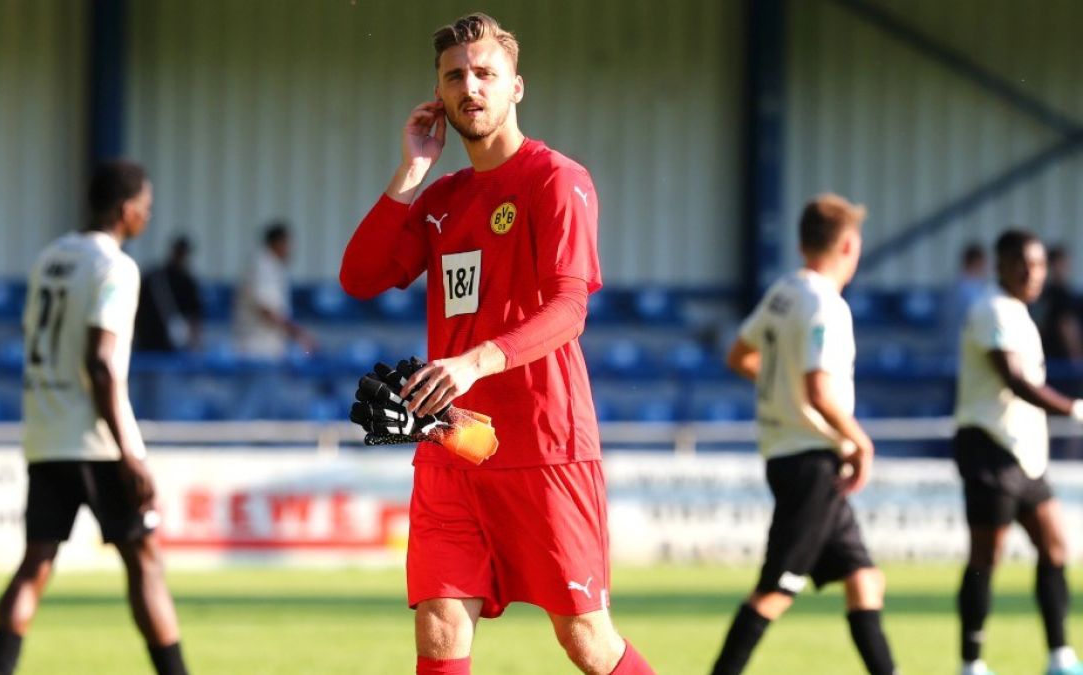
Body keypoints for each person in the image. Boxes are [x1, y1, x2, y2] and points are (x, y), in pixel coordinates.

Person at [339, 13, 654, 675]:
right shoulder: (443, 199)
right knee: (439, 623)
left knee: (587, 642)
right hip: (454, 445)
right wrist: (411, 172)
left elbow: (570, 308)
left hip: (544, 446)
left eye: (485, 73)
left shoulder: (556, 179)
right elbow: (360, 276)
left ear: (517, 86)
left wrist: (475, 359)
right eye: (455, 76)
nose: (469, 86)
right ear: (440, 94)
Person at [0, 161, 189, 675]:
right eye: (145, 206)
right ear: (127, 211)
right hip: (97, 439)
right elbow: (101, 364)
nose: (147, 215)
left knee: (35, 565)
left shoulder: (49, 258)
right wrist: (130, 454)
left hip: (45, 432)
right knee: (145, 561)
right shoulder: (116, 267)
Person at [711, 194, 897, 675]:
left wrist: (783, 391)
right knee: (776, 590)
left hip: (793, 456)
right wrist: (861, 440)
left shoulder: (784, 292)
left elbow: (739, 356)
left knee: (864, 580)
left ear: (801, 242)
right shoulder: (825, 306)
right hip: (811, 460)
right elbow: (818, 390)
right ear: (849, 245)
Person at [953, 230, 1083, 675]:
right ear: (1001, 265)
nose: (1032, 272)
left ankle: (1060, 655)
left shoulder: (1020, 314)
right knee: (986, 557)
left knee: (1056, 548)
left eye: (1039, 264)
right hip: (989, 446)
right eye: (1022, 263)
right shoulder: (991, 309)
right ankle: (971, 662)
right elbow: (1014, 379)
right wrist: (1074, 408)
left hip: (1024, 453)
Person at [233, 221, 315, 358]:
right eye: (288, 244)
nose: (290, 249)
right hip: (257, 349)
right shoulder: (263, 266)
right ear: (279, 243)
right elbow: (266, 310)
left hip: (265, 347)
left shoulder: (271, 265)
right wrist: (299, 334)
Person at [134, 235, 204, 353]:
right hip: (151, 343)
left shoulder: (186, 281)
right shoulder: (154, 278)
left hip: (163, 346)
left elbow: (195, 315)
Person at [942, 243, 989, 359]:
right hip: (966, 357)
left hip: (951, 354)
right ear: (977, 263)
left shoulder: (952, 289)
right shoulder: (973, 293)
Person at [1038, 246, 1083, 365]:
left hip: (1050, 360)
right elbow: (1067, 326)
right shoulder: (1052, 296)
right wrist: (1077, 358)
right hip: (1061, 363)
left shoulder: (1042, 295)